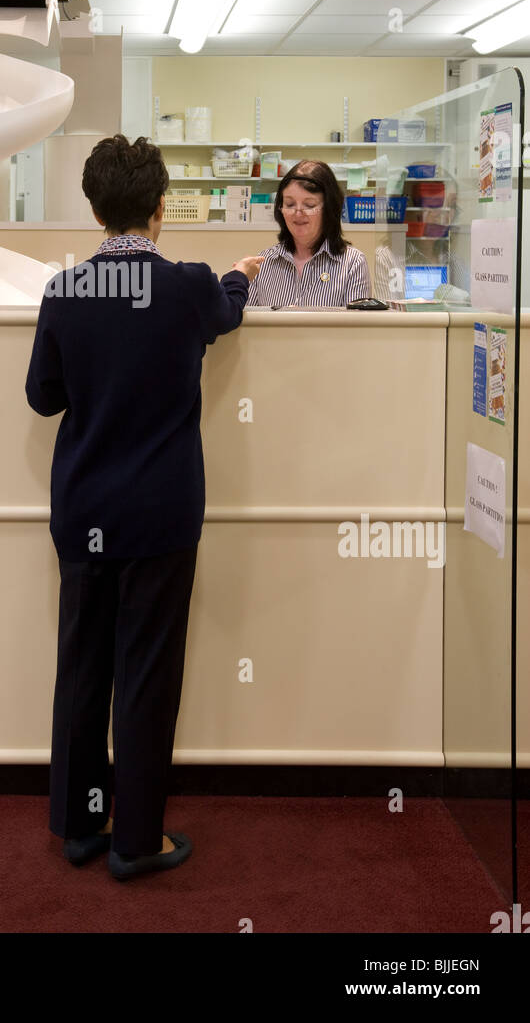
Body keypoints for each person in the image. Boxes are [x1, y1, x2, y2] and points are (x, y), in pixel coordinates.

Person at [25, 134, 263, 879]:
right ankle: (136, 842)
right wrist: (239, 277)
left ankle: (80, 826)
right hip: (160, 512)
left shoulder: (64, 292)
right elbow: (227, 310)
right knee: (147, 676)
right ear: (162, 208)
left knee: (83, 668)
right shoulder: (189, 286)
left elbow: (43, 397)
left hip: (85, 507)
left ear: (95, 210)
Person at [244, 160, 372, 307]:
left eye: (309, 205)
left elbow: (357, 328)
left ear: (329, 209)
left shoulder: (352, 263)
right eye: (290, 204)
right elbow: (248, 326)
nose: (297, 213)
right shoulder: (263, 263)